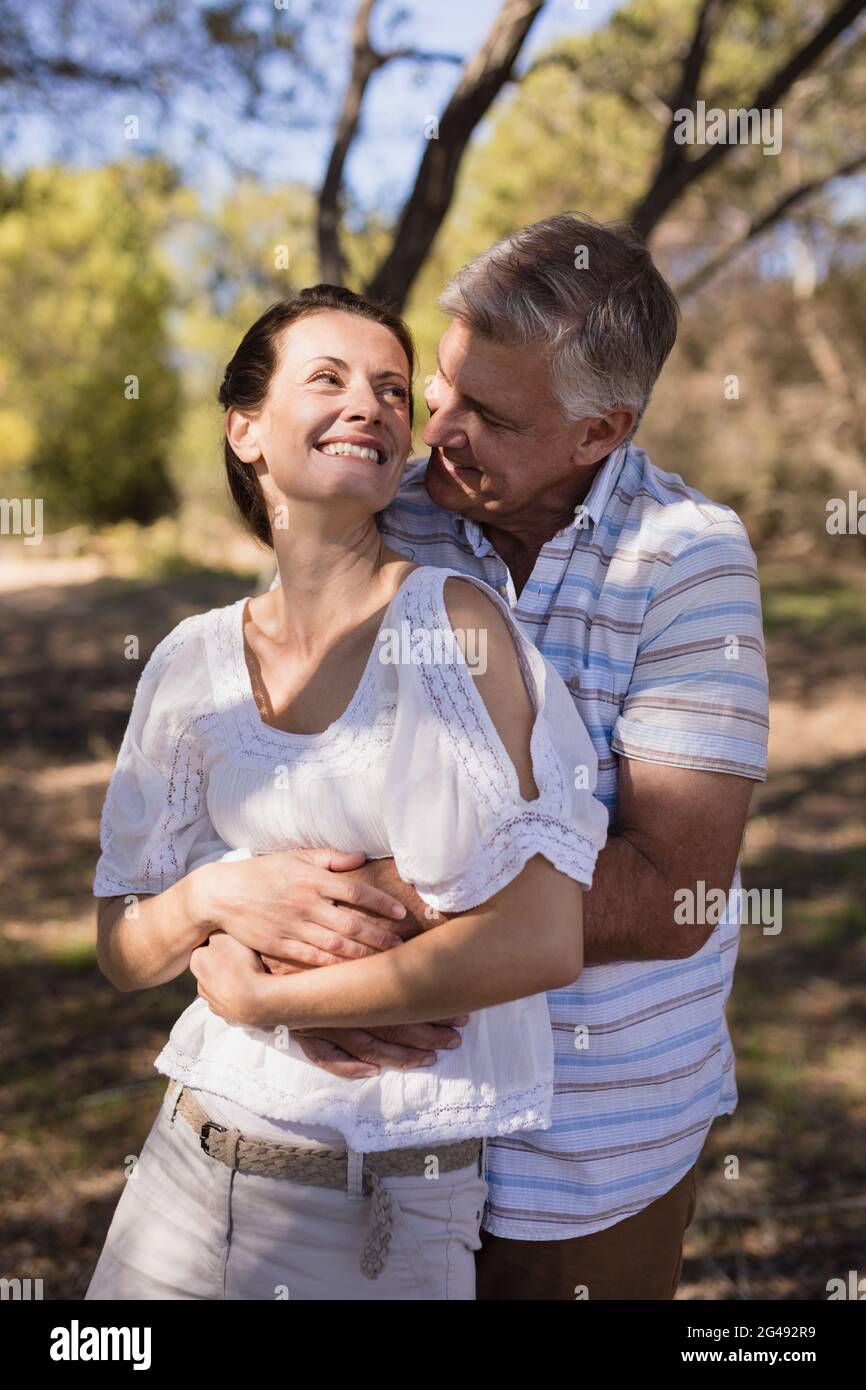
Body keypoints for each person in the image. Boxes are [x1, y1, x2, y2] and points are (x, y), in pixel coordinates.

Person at [198, 214, 769, 1300]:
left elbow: (676, 893)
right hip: (374, 1127)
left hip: (582, 1157)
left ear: (598, 432)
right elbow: (252, 757)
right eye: (442, 390)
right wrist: (235, 905)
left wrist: (348, 910)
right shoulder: (391, 512)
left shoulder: (686, 561)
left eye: (486, 415)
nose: (434, 428)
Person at [85, 283, 609, 1302]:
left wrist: (269, 997)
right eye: (326, 378)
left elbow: (540, 934)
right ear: (246, 428)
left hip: (384, 1211)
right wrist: (209, 903)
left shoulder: (452, 629)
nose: (369, 404)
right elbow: (119, 940)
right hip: (182, 1173)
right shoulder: (191, 660)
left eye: (390, 389)